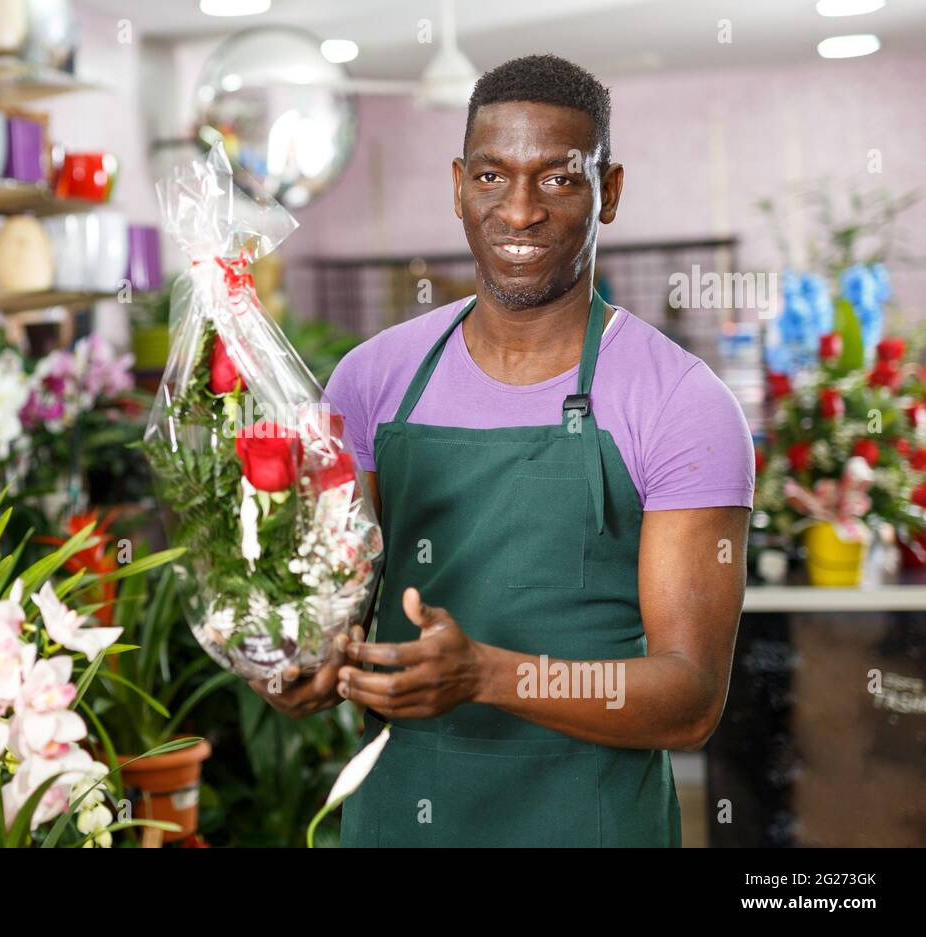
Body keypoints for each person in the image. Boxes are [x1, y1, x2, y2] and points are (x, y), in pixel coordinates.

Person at [250, 54, 755, 847]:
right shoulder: (372, 380)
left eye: (559, 179)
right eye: (491, 176)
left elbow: (692, 698)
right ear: (458, 186)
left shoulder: (683, 404)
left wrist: (488, 674)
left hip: (589, 821)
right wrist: (305, 661)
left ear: (609, 192)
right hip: (399, 817)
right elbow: (331, 605)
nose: (519, 211)